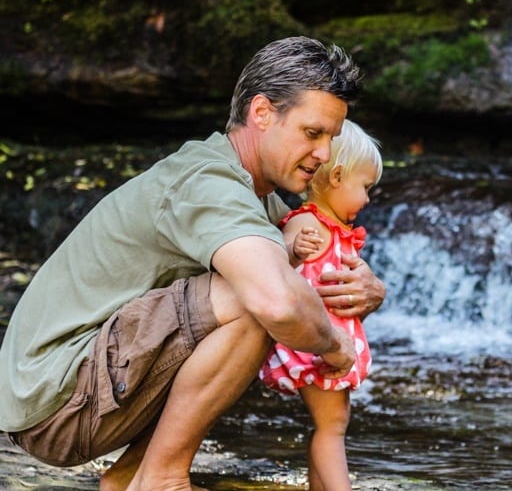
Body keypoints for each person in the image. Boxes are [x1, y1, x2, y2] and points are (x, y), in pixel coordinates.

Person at [0, 36, 387, 491]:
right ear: (261, 113)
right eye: (312, 133)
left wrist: (371, 289)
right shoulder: (208, 183)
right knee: (257, 296)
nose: (324, 154)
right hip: (55, 401)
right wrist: (335, 347)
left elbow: (313, 271)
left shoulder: (256, 200)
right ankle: (162, 480)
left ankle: (127, 480)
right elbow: (279, 303)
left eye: (331, 139)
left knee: (270, 281)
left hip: (67, 395)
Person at [260, 119, 382, 491]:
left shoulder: (333, 228)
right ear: (337, 177)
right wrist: (293, 250)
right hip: (318, 347)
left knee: (331, 424)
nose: (367, 199)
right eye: (365, 188)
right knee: (332, 427)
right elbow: (270, 265)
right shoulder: (307, 223)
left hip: (331, 345)